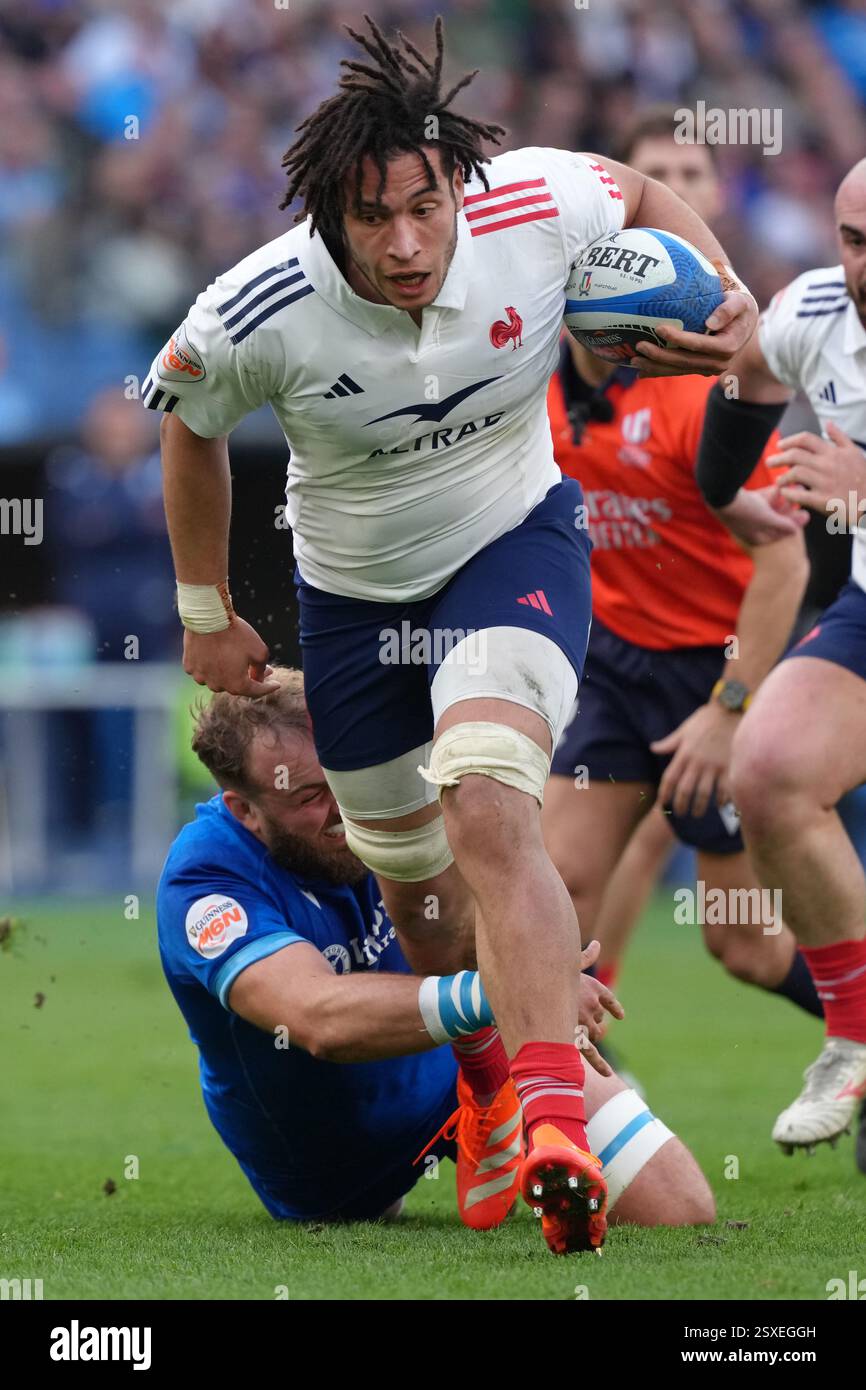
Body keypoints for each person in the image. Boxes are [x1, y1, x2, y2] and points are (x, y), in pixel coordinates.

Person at [146, 16, 757, 1253]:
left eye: (427, 206)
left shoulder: (531, 203)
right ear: (331, 213)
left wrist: (727, 286)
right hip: (356, 606)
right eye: (376, 219)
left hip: (513, 545)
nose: (409, 241)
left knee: (487, 802)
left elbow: (636, 184)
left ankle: (549, 1126)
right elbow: (188, 423)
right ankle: (486, 1098)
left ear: (458, 185)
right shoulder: (257, 307)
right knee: (424, 910)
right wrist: (204, 612)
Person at [157, 667, 715, 1233]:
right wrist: (515, 989)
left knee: (680, 1210)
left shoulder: (390, 793)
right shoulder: (205, 878)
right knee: (358, 1216)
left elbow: (491, 903)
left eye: (345, 779)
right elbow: (314, 1017)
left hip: (465, 1054)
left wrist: (532, 975)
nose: (346, 807)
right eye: (309, 796)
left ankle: (494, 1103)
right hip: (336, 1169)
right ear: (244, 810)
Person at [542, 109, 818, 1031]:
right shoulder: (534, 376)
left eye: (688, 177)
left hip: (725, 665)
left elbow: (784, 554)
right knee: (557, 881)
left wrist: (729, 709)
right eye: (650, 175)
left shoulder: (714, 391)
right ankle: (550, 1108)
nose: (667, 195)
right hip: (617, 663)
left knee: (741, 941)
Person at [692, 158, 866, 1158]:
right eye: (852, 242)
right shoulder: (813, 310)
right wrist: (724, 491)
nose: (863, 269)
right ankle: (850, 1036)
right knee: (765, 771)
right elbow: (751, 371)